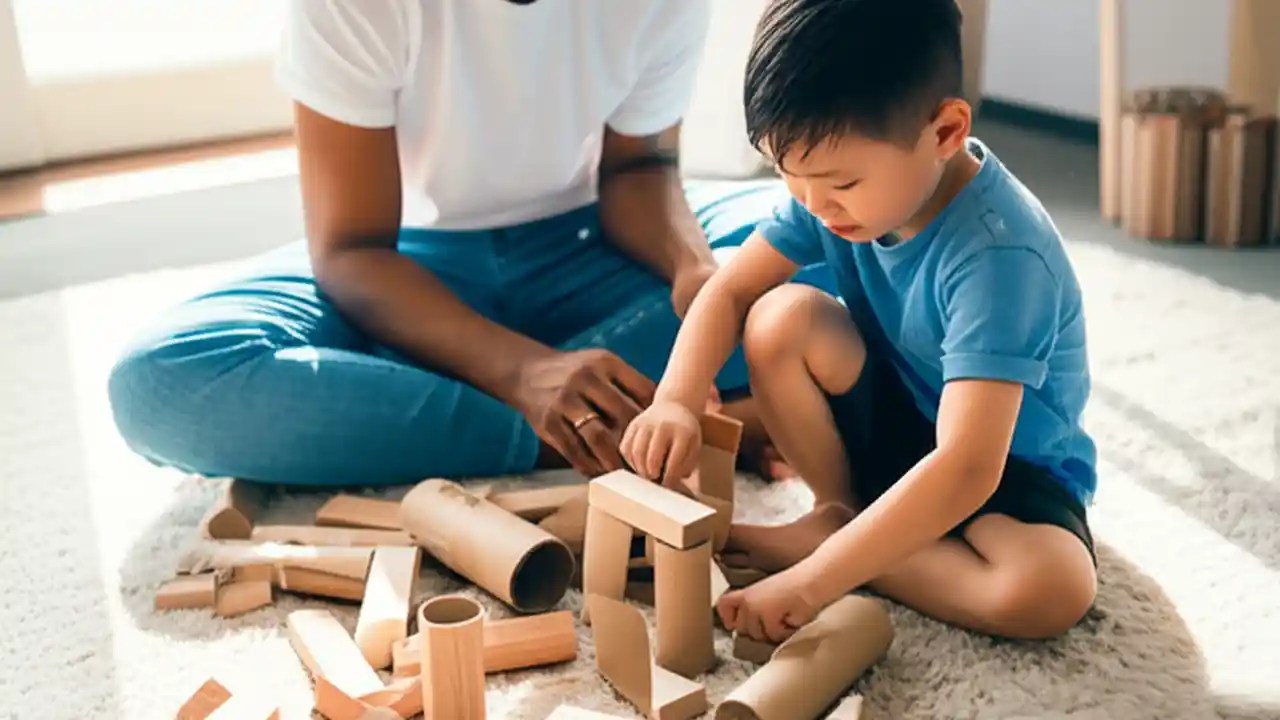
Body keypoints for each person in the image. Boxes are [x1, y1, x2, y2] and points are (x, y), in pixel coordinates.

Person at [106, 0, 832, 486]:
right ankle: (628, 429)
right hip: (404, 270)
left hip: (587, 249)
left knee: (840, 238)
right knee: (162, 379)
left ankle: (452, 412)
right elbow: (352, 249)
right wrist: (524, 374)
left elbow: (639, 170)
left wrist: (695, 272)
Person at [621, 0, 1098, 642]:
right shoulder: (833, 197)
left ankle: (836, 545)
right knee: (779, 317)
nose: (815, 206)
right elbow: (730, 290)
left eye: (839, 182)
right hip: (893, 423)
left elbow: (967, 466)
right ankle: (839, 509)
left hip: (1002, 470)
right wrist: (675, 399)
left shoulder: (1000, 256)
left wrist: (815, 580)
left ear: (945, 132)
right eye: (790, 178)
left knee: (1047, 591)